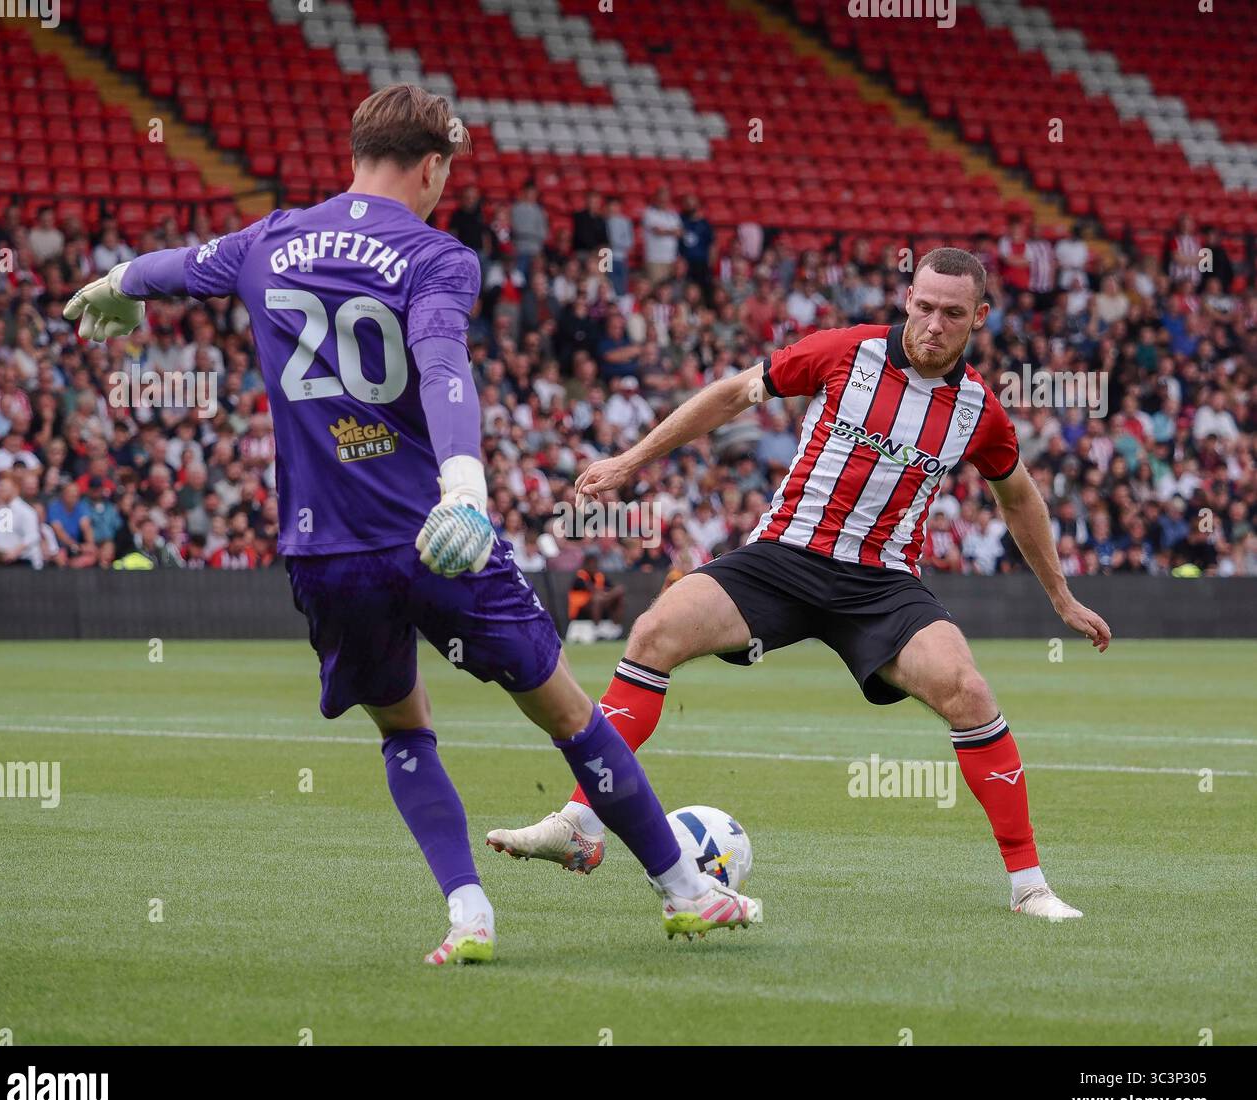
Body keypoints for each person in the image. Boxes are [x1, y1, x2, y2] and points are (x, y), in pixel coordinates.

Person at [63, 83, 760, 965]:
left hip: (325, 550)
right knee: (571, 719)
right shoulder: (437, 256)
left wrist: (116, 282)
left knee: (403, 730)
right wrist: (463, 483)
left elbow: (174, 266)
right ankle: (687, 892)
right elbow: (442, 365)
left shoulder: (268, 240)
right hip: (439, 536)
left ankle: (468, 914)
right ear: (432, 167)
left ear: (357, 152)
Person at [487, 248, 1112, 921]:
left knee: (969, 691)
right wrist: (632, 461)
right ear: (908, 299)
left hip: (882, 584)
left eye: (952, 314)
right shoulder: (845, 352)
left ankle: (1029, 888)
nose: (934, 323)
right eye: (924, 306)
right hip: (785, 557)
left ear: (979, 318)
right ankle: (582, 826)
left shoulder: (977, 411)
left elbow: (1018, 498)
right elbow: (733, 394)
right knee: (655, 629)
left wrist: (1062, 596)